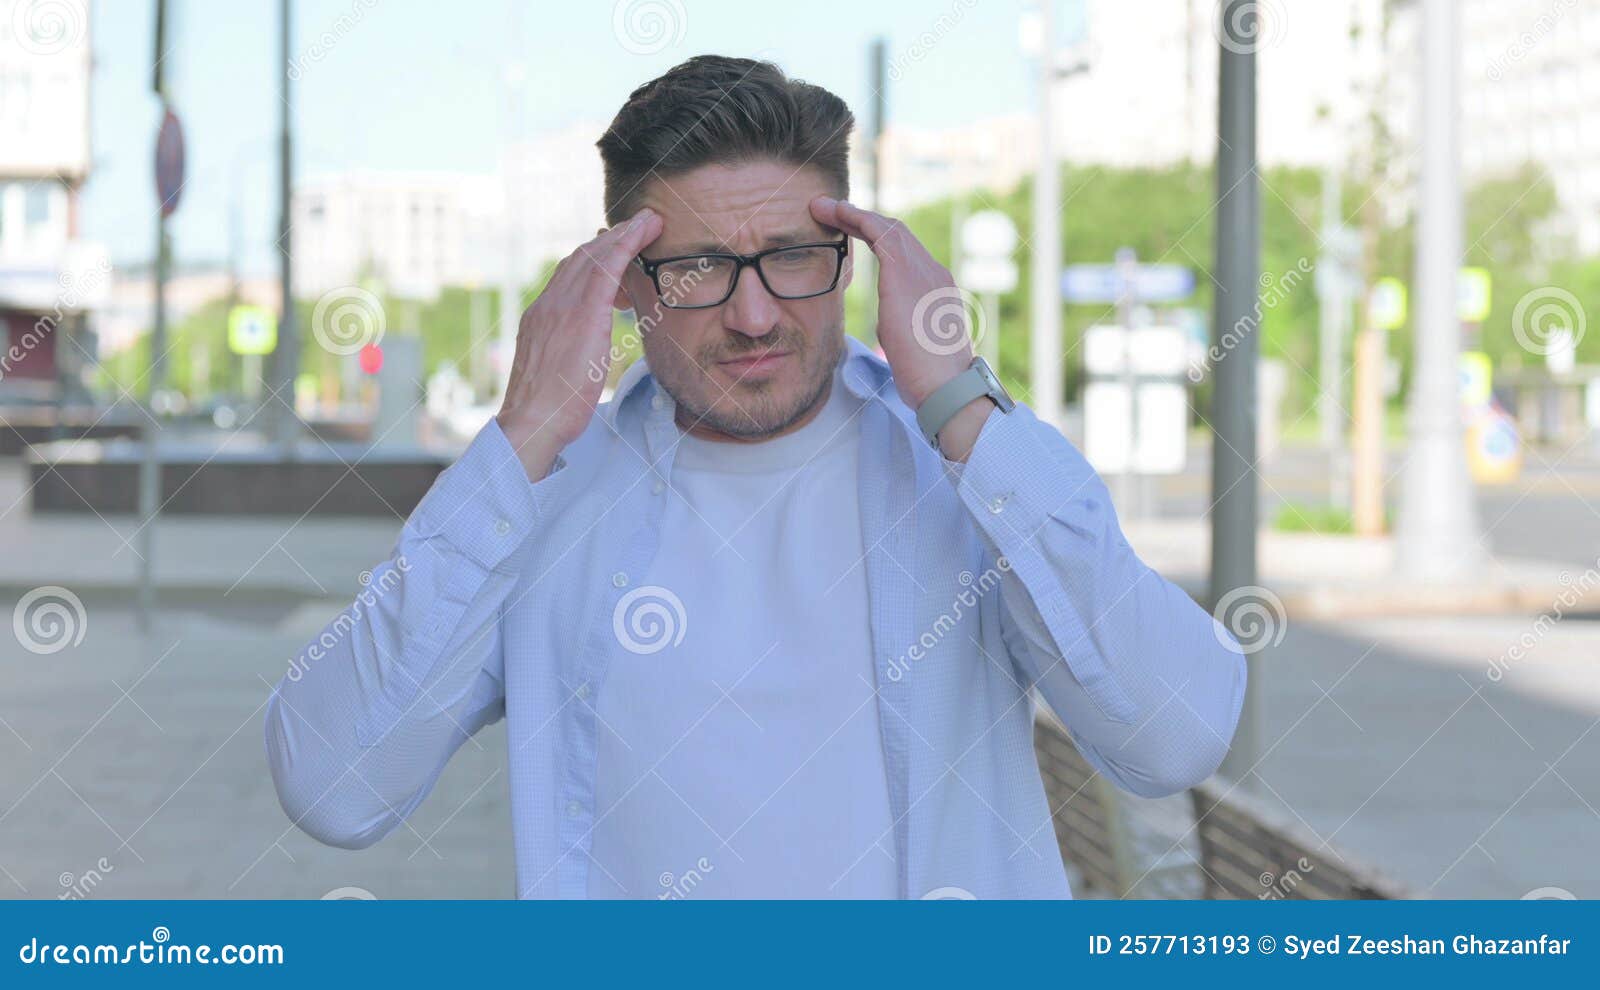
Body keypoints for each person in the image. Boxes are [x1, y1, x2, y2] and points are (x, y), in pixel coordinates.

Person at [264, 54, 1246, 899]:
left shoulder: (966, 472)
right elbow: (335, 784)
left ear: (851, 259)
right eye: (696, 269)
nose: (754, 315)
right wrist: (519, 438)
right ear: (624, 285)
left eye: (790, 257)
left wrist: (960, 407)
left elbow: (1175, 738)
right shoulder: (546, 498)